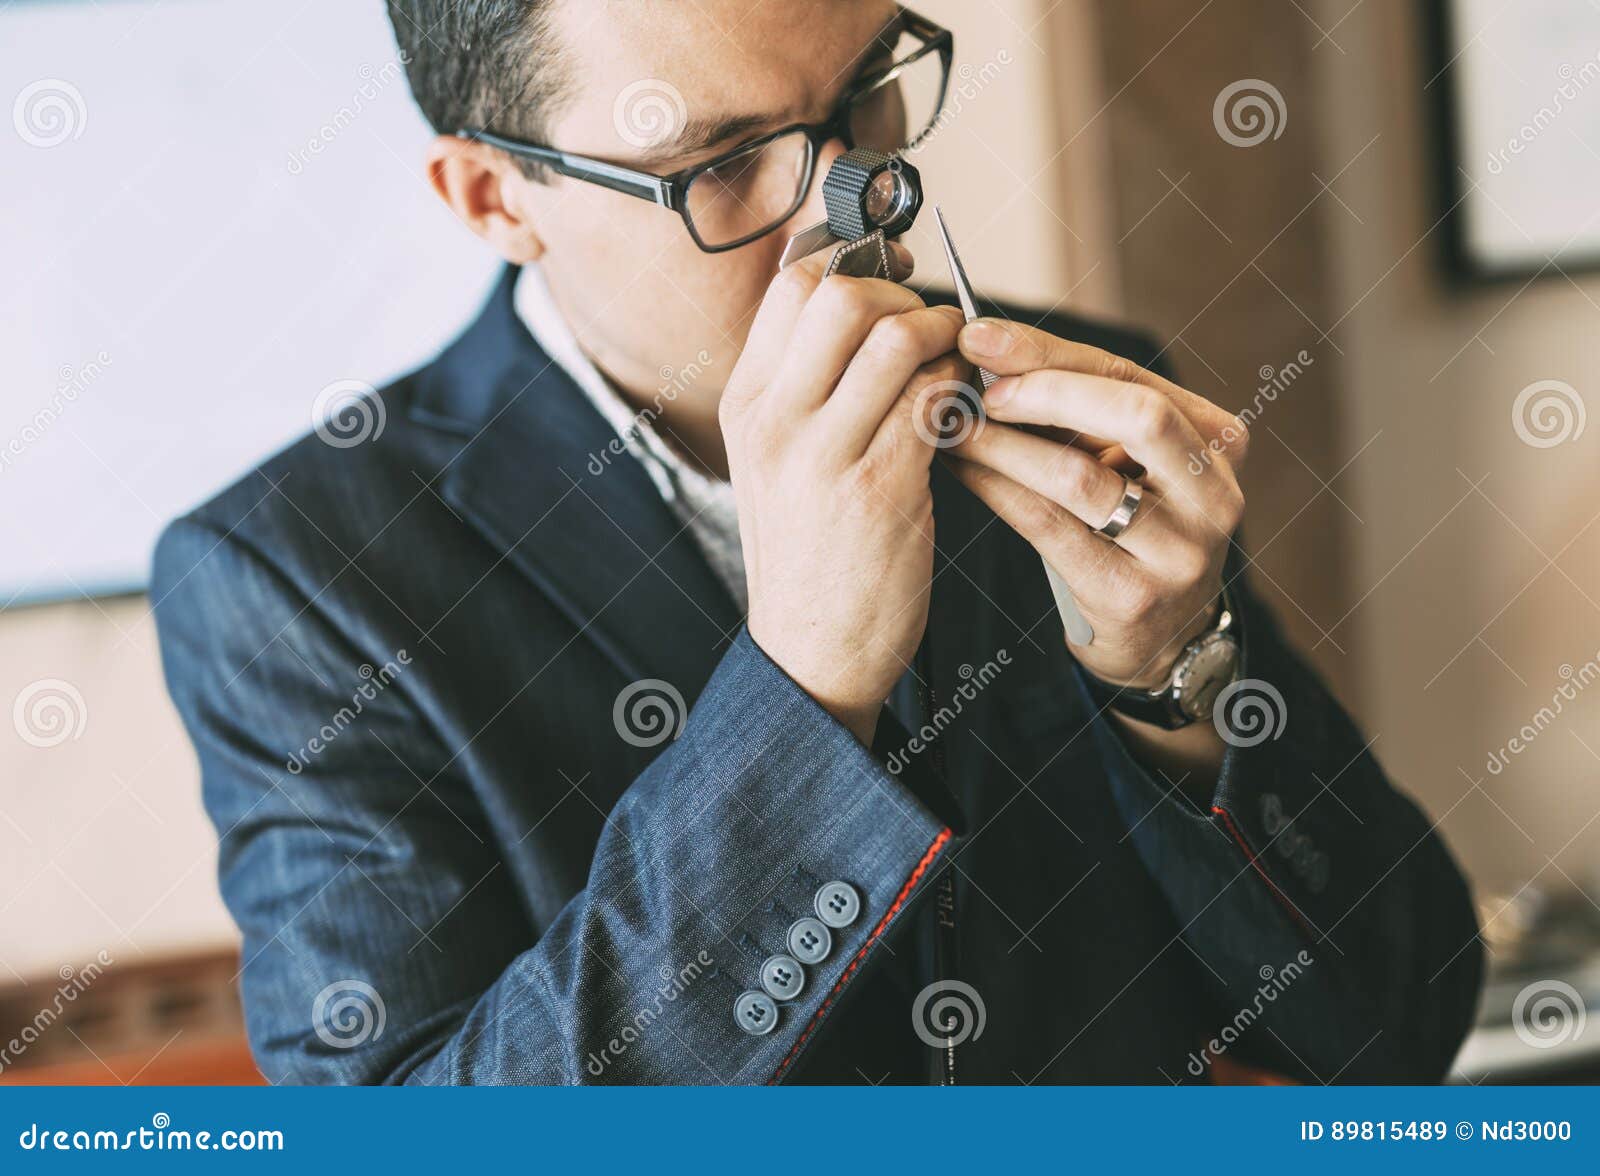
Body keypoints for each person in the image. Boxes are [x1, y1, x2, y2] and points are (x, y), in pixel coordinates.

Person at [152, 0, 1481, 1084]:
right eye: (722, 161)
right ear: (494, 197)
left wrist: (1172, 677)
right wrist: (800, 688)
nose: (856, 208)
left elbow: (1401, 1023)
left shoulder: (1096, 412)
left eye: (863, 99)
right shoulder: (295, 579)